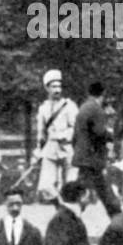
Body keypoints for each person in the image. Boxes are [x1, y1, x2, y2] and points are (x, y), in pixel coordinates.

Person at [72, 81, 121, 218]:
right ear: (103, 94)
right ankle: (119, 223)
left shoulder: (82, 108)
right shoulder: (96, 109)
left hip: (82, 157)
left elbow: (75, 136)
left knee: (81, 191)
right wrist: (110, 135)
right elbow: (100, 133)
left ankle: (70, 218)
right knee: (106, 193)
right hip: (93, 159)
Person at [34, 70, 78, 203]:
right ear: (47, 88)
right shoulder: (43, 108)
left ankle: (70, 204)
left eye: (59, 86)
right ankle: (60, 203)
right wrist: (38, 149)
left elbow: (75, 127)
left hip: (67, 146)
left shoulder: (69, 106)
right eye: (53, 87)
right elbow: (41, 132)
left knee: (71, 181)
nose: (57, 90)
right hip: (50, 147)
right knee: (45, 185)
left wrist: (64, 135)